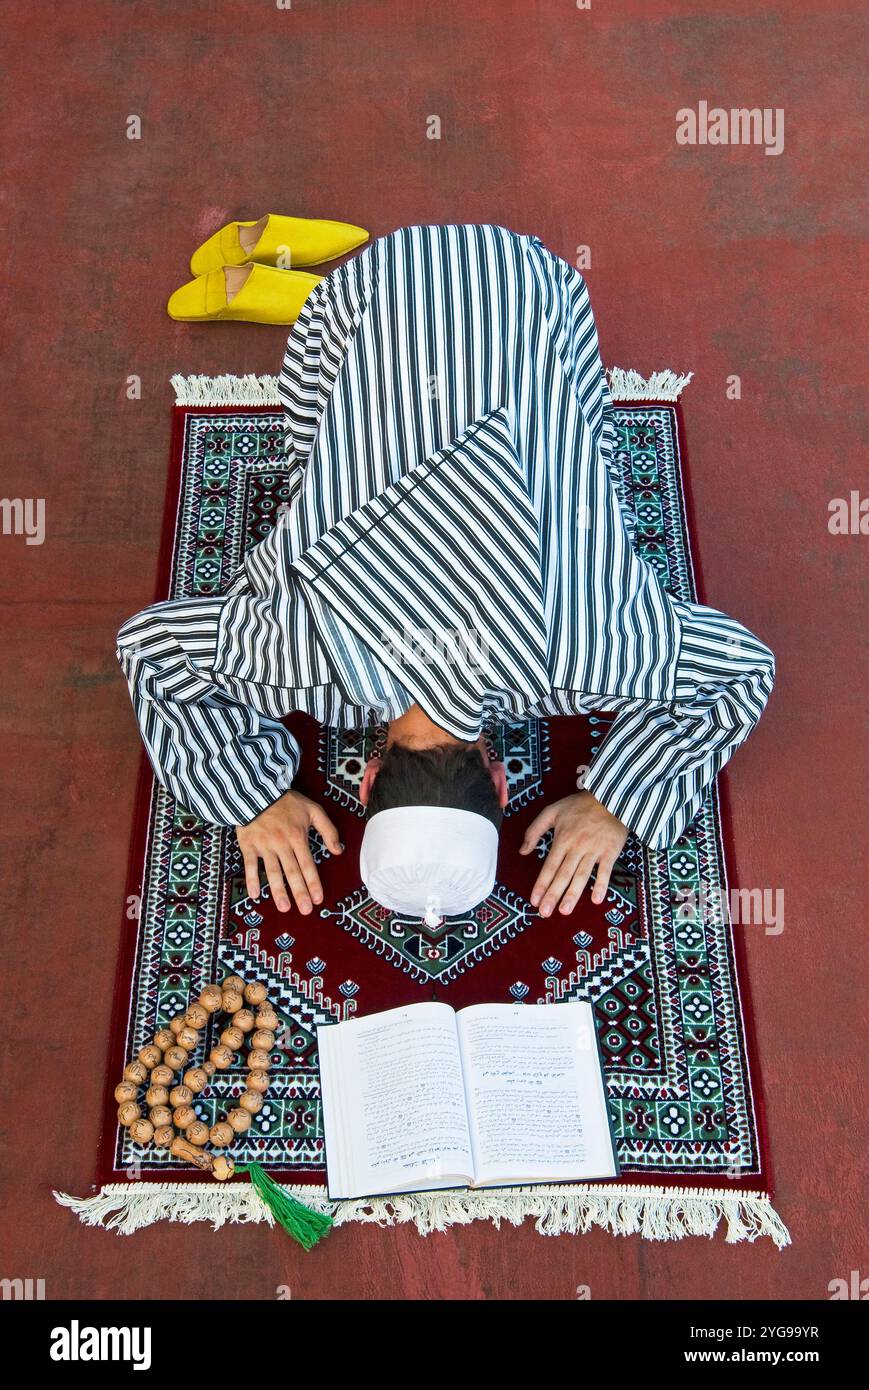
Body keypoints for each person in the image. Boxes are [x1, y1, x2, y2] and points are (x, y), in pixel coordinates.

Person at [117, 223, 774, 924]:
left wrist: (615, 804)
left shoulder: (584, 663)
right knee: (314, 467)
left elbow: (743, 669)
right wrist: (249, 800)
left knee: (581, 450)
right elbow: (150, 648)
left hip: (539, 289)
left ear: (500, 782)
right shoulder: (294, 660)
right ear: (369, 781)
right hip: (367, 292)